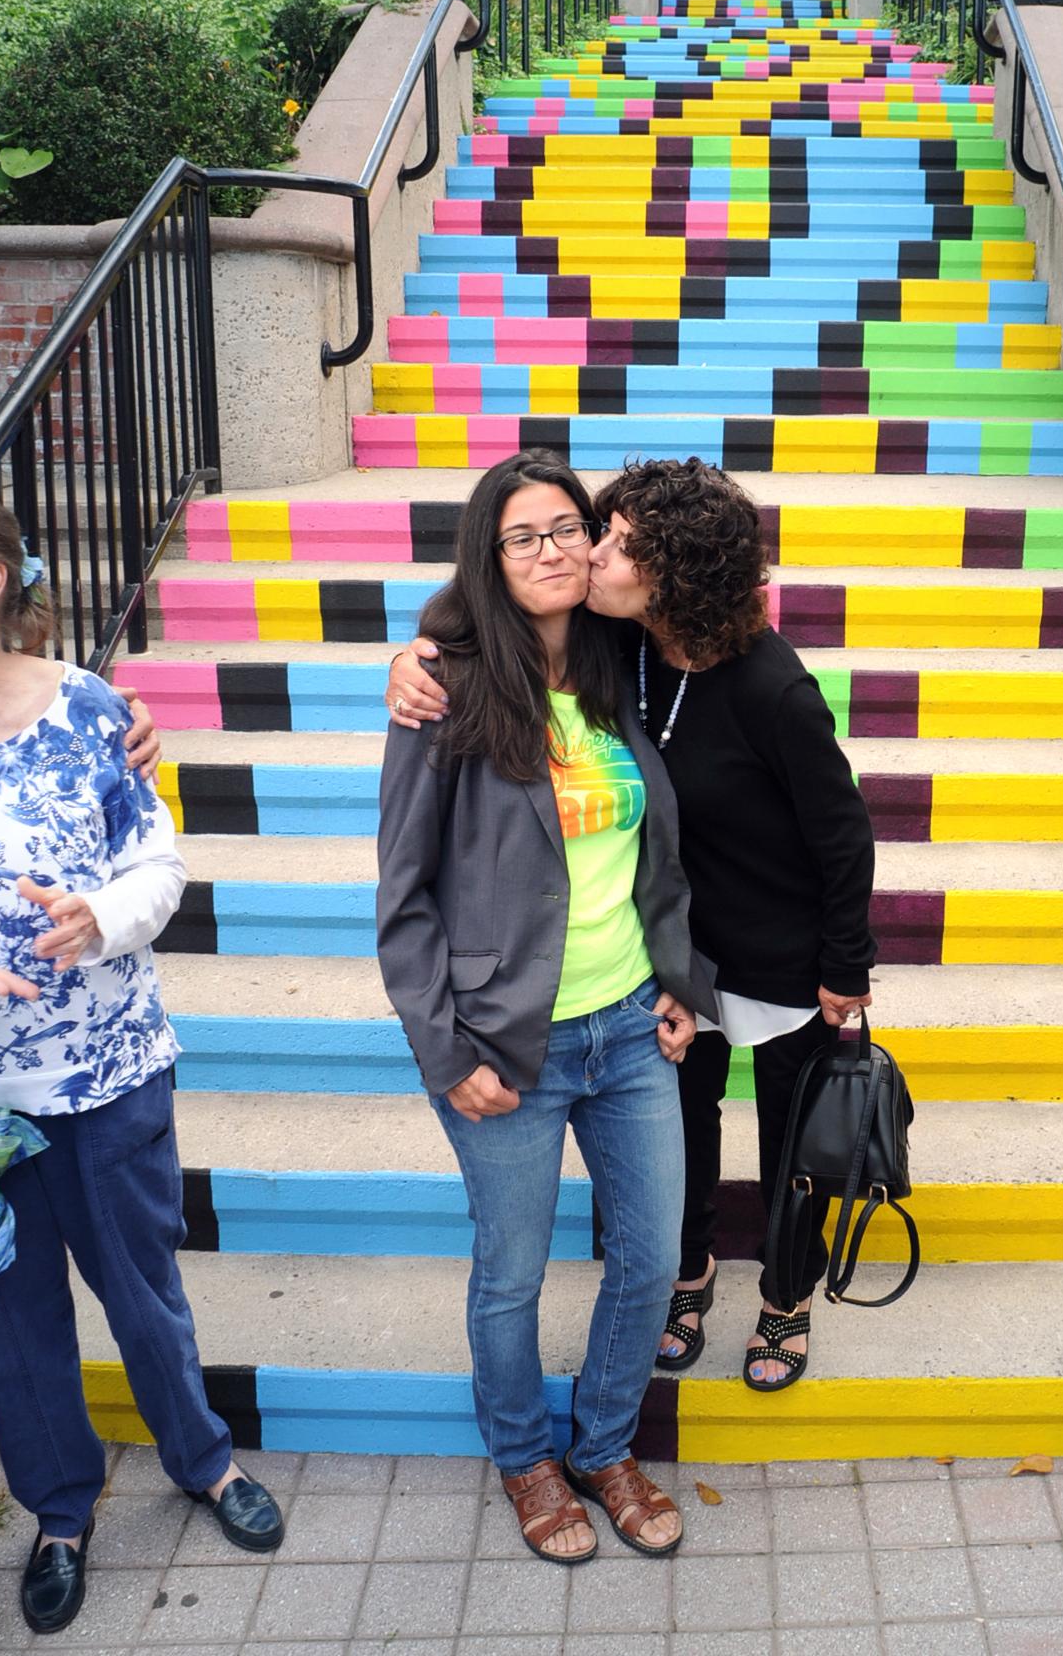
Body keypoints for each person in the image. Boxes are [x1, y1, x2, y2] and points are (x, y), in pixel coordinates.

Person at [0, 482, 282, 1639]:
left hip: (105, 1074)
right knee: (13, 1327)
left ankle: (201, 1458)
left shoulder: (92, 709)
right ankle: (58, 1512)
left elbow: (158, 863)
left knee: (145, 1291)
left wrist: (101, 914)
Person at [388, 457, 877, 1391]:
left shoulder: (772, 685)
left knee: (793, 1139)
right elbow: (482, 621)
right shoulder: (625, 650)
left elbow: (842, 828)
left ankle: (786, 1298)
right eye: (597, 531)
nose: (592, 554)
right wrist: (409, 656)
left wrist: (845, 964)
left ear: (673, 573)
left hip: (783, 955)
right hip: (671, 956)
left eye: (615, 544)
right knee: (685, 1126)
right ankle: (686, 1280)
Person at [376, 451, 713, 1564]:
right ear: (490, 553)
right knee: (511, 1269)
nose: (556, 549)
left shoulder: (624, 666)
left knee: (652, 1256)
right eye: (525, 535)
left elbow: (656, 858)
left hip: (626, 1029)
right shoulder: (448, 685)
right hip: (502, 1044)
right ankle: (525, 1458)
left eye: (570, 527)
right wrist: (442, 1051)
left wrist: (679, 982)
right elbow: (404, 895)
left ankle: (604, 1445)